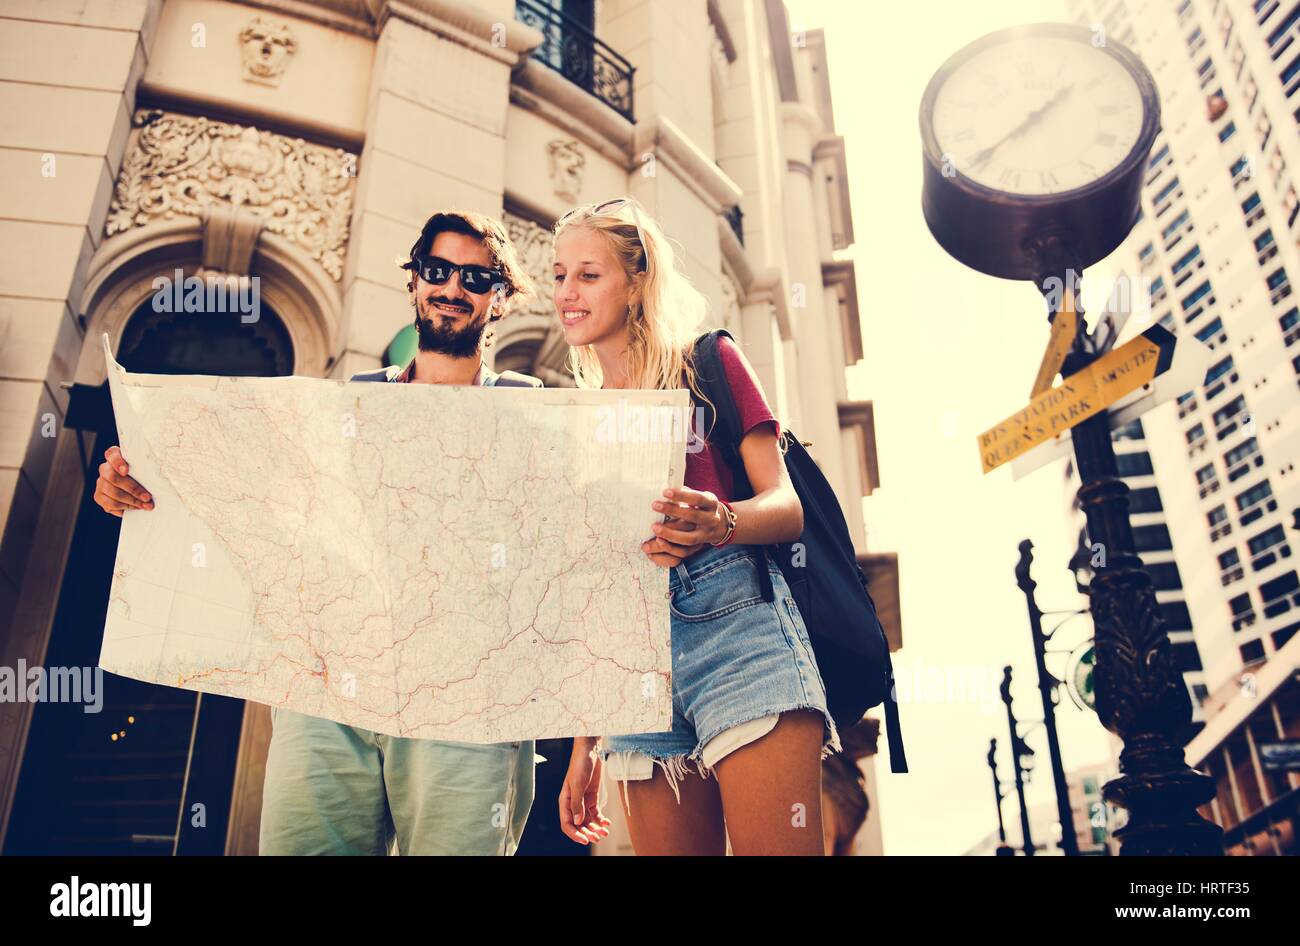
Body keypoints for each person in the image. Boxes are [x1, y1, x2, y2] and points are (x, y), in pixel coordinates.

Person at [93, 210, 541, 855]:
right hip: (333, 693)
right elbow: (249, 505)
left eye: (475, 277)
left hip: (465, 700)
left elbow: (572, 557)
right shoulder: (343, 406)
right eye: (438, 271)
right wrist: (139, 485)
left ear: (500, 298)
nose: (453, 288)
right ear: (413, 281)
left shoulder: (532, 414)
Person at [552, 198, 841, 856]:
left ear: (636, 281)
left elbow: (786, 505)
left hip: (738, 632)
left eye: (588, 275)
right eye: (560, 274)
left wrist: (724, 522)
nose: (567, 292)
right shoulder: (577, 422)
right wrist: (584, 742)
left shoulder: (709, 360)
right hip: (633, 666)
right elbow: (596, 590)